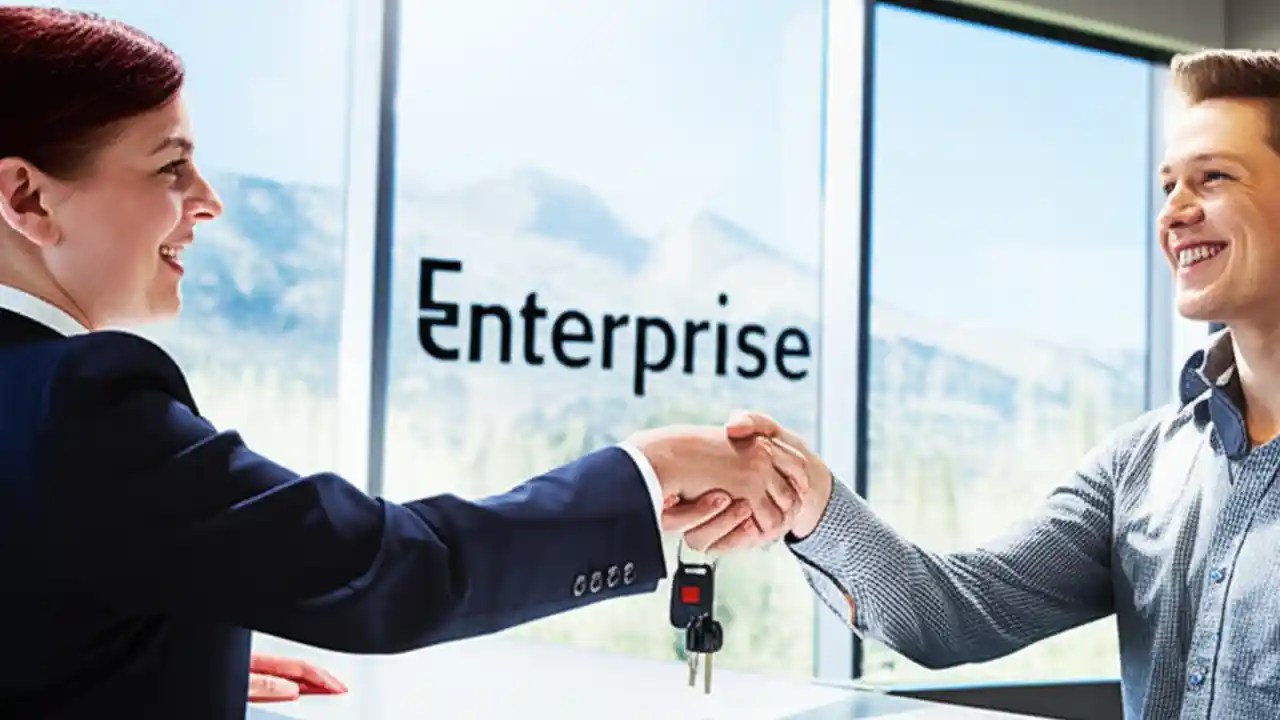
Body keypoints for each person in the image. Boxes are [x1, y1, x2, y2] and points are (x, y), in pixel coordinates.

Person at [0, 8, 807, 718]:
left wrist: (169, 654)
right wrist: (646, 472)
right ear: (28, 200)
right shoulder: (78, 401)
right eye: (169, 165)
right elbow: (384, 569)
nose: (208, 197)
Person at [682, 48, 1280, 719]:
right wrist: (804, 497)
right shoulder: (1139, 467)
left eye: (1214, 178)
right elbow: (951, 614)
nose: (1174, 213)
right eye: (1167, 186)